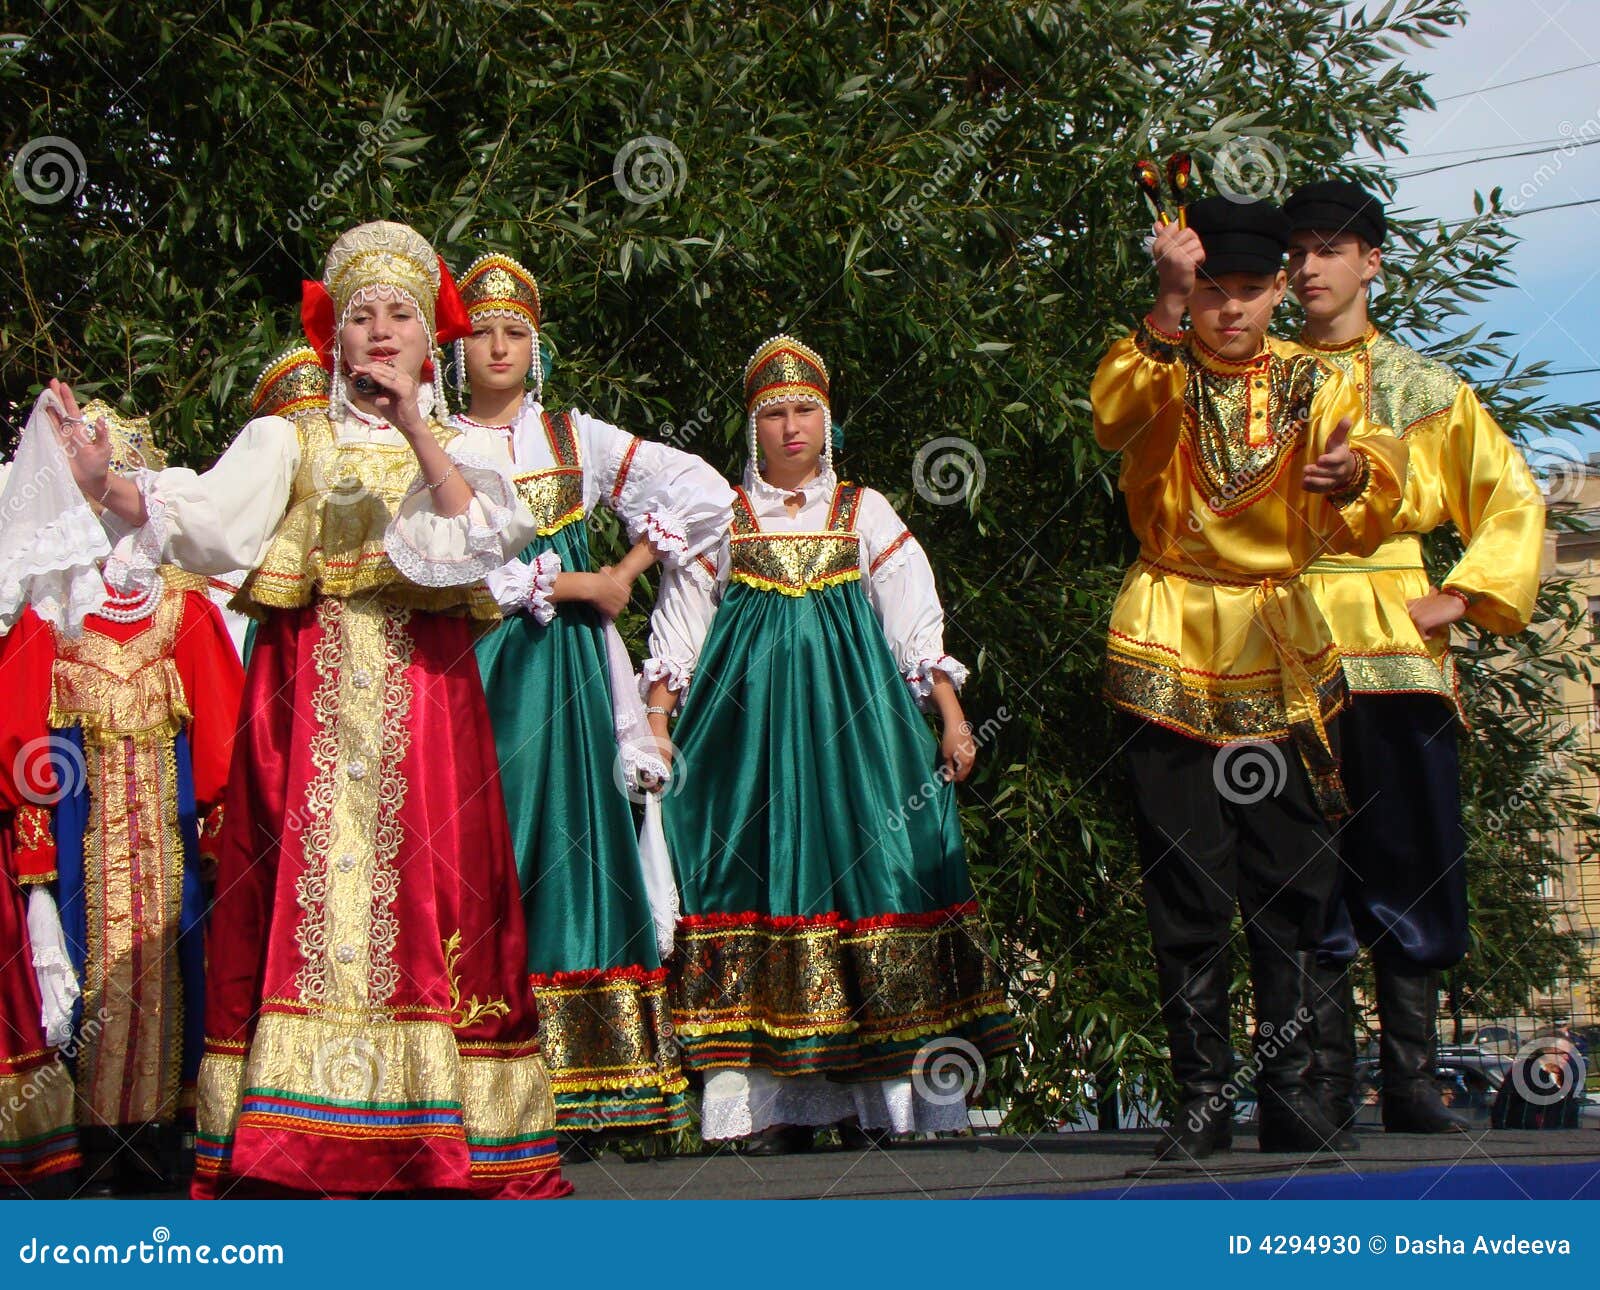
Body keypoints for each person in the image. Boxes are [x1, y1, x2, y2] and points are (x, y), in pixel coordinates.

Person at [48, 220, 570, 1199]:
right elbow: (206, 525)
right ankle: (297, 1142)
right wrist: (105, 484)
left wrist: (414, 426)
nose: (381, 330)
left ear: (429, 340)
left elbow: (482, 538)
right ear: (337, 337)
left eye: (401, 314)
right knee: (293, 890)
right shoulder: (288, 438)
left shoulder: (466, 446)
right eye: (362, 315)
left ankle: (442, 1139)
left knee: (439, 896)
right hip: (307, 710)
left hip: (428, 718)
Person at [643, 334, 1016, 1153]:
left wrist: (952, 716)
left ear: (828, 421)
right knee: (751, 883)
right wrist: (659, 731)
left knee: (877, 881)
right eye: (774, 413)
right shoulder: (721, 519)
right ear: (752, 427)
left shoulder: (864, 511)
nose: (791, 427)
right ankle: (763, 1109)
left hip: (861, 750)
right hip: (747, 754)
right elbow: (680, 635)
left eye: (805, 410)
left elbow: (914, 621)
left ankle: (892, 1106)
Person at [1093, 196, 1407, 1160]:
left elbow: (1374, 477)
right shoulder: (1159, 367)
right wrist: (1163, 300)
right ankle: (1199, 1098)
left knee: (1294, 873)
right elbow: (1113, 419)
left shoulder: (1320, 380)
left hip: (1279, 639)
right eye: (1212, 292)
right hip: (1170, 632)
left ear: (1278, 292)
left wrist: (1357, 480)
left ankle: (1292, 1091)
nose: (1230, 309)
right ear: (1192, 297)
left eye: (1249, 290)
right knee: (1185, 876)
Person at [1284, 180, 1545, 1136]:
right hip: (1283, 638)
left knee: (1411, 852)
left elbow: (1512, 499)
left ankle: (1410, 1079)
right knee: (1302, 860)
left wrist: (1462, 596)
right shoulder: (1262, 379)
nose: (1307, 268)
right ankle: (1316, 1083)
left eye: (1328, 248)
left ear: (1372, 262)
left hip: (1393, 640)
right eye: (1296, 252)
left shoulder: (1428, 388)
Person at [452, 251, 730, 1146]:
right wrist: (584, 583)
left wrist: (629, 567)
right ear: (459, 348)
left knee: (575, 843)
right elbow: (446, 563)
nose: (500, 347)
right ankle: (476, 1081)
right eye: (483, 333)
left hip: (569, 672)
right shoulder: (436, 440)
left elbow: (704, 493)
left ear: (537, 347)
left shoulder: (576, 439)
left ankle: (587, 1082)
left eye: (516, 333)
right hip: (477, 667)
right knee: (484, 844)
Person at [7, 406, 244, 1194]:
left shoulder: (182, 606)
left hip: (171, 849)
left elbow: (222, 742)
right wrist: (36, 868)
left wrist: (221, 847)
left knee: (177, 963)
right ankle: (87, 1138)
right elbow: (25, 745)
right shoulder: (49, 609)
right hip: (79, 837)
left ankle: (166, 1132)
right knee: (75, 970)